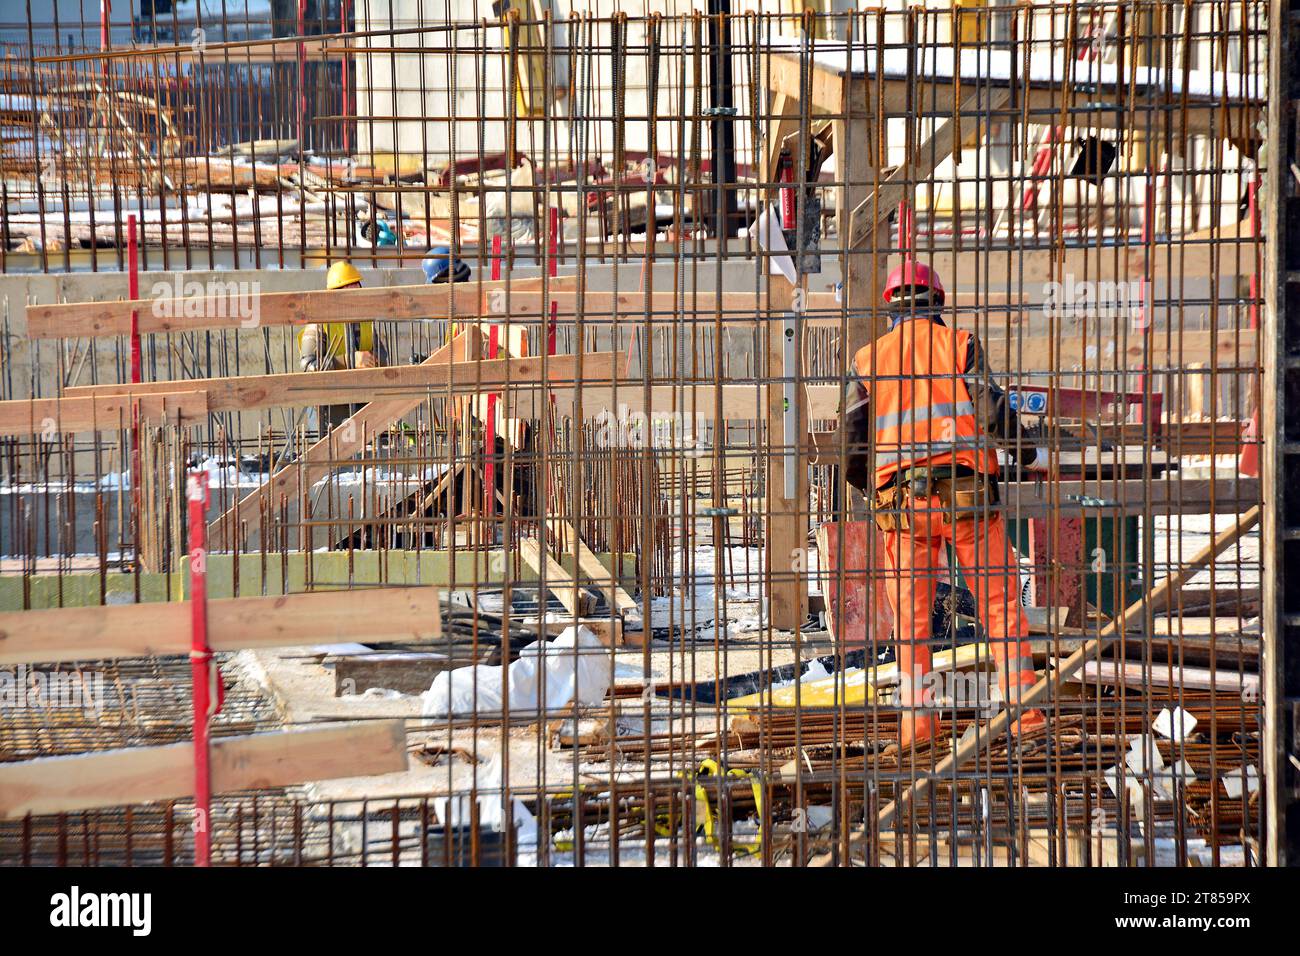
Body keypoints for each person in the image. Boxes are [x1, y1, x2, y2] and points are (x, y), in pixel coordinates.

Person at [843, 259, 1046, 750]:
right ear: (937, 304)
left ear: (890, 308)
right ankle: (1025, 717)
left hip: (902, 507)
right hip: (967, 500)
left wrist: (871, 488)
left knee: (912, 622)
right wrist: (1023, 449)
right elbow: (991, 408)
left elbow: (851, 444)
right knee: (999, 608)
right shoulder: (959, 344)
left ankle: (917, 727)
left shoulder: (868, 359)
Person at [298, 261, 386, 438]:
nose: (356, 296)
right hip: (329, 410)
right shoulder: (319, 325)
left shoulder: (365, 322)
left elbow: (382, 356)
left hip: (361, 403)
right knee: (330, 456)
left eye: (357, 288)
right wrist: (349, 361)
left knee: (365, 459)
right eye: (349, 290)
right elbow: (308, 366)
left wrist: (375, 362)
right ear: (334, 295)